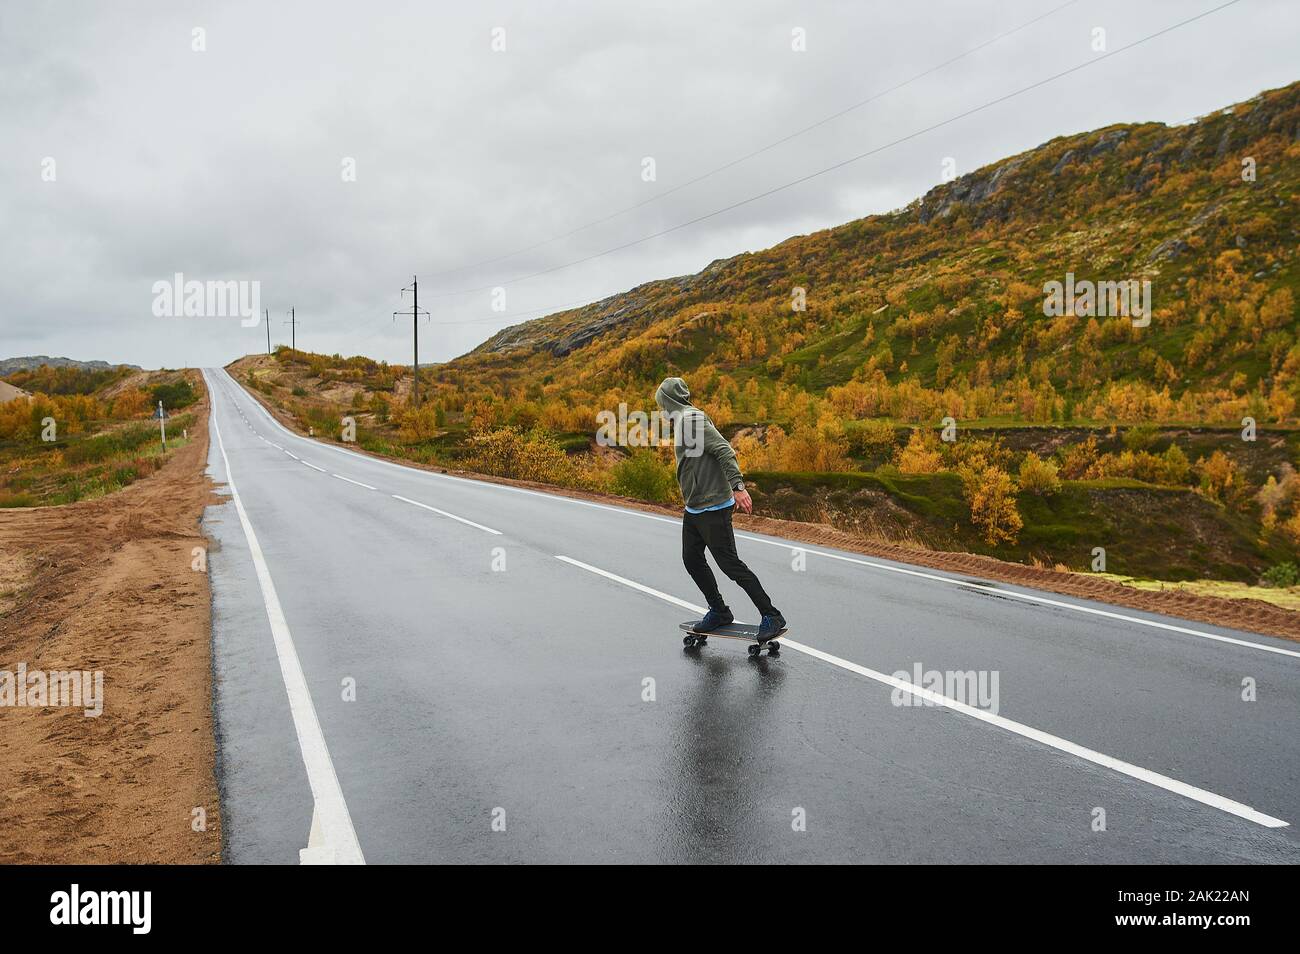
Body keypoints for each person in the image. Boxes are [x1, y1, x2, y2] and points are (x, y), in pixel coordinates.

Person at [654, 377, 786, 641]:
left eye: (661, 404)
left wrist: (738, 486)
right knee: (691, 559)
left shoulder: (691, 419)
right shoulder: (681, 421)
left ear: (668, 401)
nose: (660, 410)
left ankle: (771, 615)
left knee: (730, 565)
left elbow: (724, 450)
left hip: (713, 506)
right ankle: (719, 611)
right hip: (694, 507)